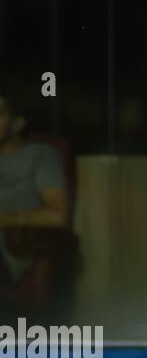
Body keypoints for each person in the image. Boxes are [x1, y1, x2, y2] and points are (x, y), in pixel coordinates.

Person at [0, 88, 71, 287]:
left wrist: (5, 219)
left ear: (17, 124)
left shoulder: (39, 154)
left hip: (9, 249)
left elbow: (58, 216)